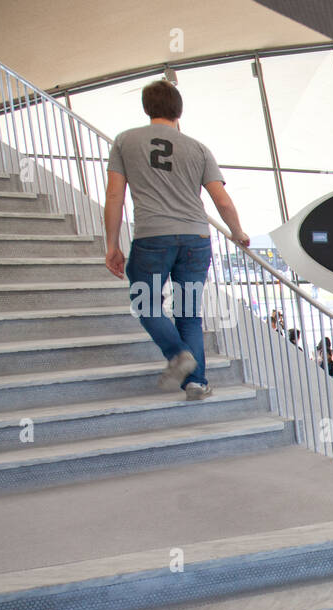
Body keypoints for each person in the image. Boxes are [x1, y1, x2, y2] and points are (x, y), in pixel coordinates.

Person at [104, 79, 250, 401]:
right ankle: (196, 383)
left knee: (145, 303)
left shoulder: (125, 142)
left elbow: (115, 195)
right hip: (196, 238)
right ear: (178, 110)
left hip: (152, 238)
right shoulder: (198, 148)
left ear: (146, 108)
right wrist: (238, 233)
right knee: (188, 312)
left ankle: (176, 353)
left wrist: (112, 246)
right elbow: (222, 200)